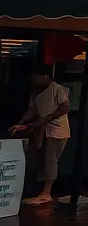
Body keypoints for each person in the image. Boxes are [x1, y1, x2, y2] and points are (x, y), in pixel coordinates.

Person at [8, 64, 70, 206]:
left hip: (57, 131)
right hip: (41, 130)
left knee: (50, 160)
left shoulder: (57, 89)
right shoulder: (35, 92)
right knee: (37, 160)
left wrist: (47, 118)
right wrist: (22, 122)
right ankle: (37, 190)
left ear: (45, 76)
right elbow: (33, 109)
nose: (34, 80)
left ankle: (46, 193)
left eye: (36, 77)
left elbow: (64, 107)